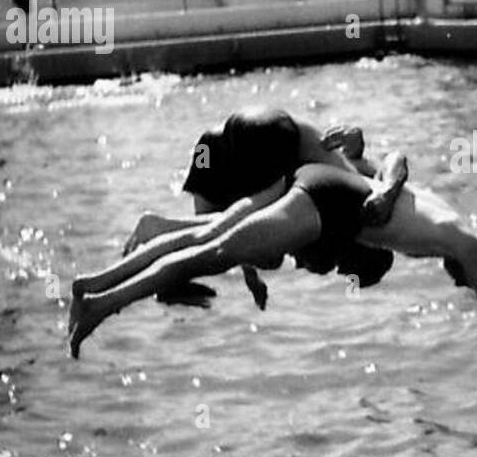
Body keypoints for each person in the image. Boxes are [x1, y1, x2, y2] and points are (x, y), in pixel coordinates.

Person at [67, 162, 477, 359]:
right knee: (212, 254)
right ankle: (100, 305)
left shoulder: (443, 220)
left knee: (214, 240)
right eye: (469, 282)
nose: (463, 286)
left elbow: (391, 158)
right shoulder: (463, 242)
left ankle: (94, 284)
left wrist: (384, 185)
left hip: (327, 188)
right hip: (327, 202)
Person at [122, 107, 408, 311]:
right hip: (265, 134)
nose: (339, 268)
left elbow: (249, 231)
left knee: (210, 241)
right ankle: (155, 228)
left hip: (210, 147)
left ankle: (165, 275)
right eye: (347, 268)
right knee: (260, 247)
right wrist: (389, 194)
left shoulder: (337, 189)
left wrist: (250, 275)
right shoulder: (364, 200)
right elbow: (396, 158)